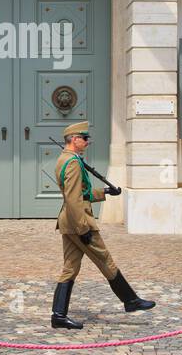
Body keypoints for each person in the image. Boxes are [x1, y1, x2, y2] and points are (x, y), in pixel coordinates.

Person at [50, 121, 155, 329]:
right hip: (79, 223)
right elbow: (73, 199)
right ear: (74, 139)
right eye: (84, 138)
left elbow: (81, 194)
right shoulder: (71, 163)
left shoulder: (68, 159)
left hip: (69, 222)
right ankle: (130, 301)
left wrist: (105, 192)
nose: (88, 141)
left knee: (70, 267)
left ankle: (58, 316)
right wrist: (83, 229)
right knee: (105, 259)